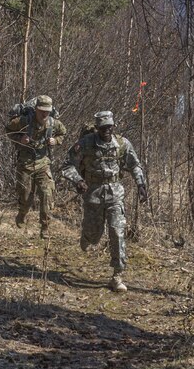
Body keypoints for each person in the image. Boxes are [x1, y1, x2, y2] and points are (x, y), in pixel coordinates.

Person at [62, 111, 147, 292]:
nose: (107, 131)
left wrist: (141, 183)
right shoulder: (86, 143)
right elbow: (67, 165)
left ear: (113, 127)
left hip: (115, 194)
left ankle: (117, 275)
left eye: (109, 127)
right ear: (97, 128)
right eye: (103, 128)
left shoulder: (122, 144)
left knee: (117, 231)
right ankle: (86, 237)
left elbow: (134, 164)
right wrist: (78, 180)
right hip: (93, 193)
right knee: (94, 236)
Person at [6, 94, 67, 237]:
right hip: (25, 164)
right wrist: (20, 139)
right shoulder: (23, 121)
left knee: (46, 194)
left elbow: (63, 133)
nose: (44, 114)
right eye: (41, 111)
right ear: (36, 110)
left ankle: (45, 227)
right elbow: (8, 130)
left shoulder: (53, 123)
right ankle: (22, 214)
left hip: (43, 163)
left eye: (47, 111)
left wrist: (56, 141)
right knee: (26, 197)